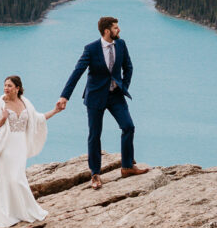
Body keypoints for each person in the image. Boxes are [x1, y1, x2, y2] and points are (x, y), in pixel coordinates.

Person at [56, 15, 148, 188]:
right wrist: (64, 96)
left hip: (115, 96)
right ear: (107, 31)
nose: (119, 30)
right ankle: (95, 175)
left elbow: (128, 67)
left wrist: (123, 86)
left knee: (128, 127)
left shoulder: (121, 44)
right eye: (115, 28)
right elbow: (77, 73)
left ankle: (127, 167)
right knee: (95, 135)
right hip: (95, 97)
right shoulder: (91, 49)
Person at [0, 75, 60, 228]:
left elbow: (38, 119)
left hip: (20, 146)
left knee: (18, 178)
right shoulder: (0, 104)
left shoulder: (25, 103)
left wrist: (55, 111)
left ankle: (21, 211)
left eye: (9, 86)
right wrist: (2, 119)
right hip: (5, 147)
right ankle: (1, 215)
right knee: (7, 178)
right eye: (5, 85)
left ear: (17, 88)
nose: (6, 88)